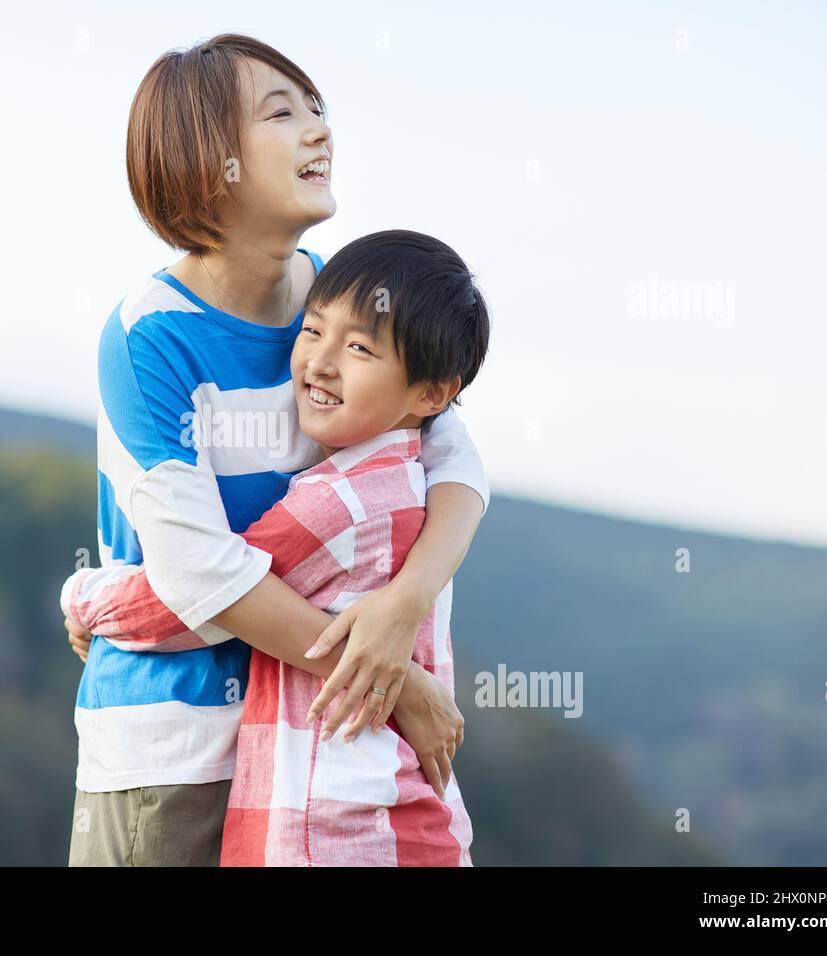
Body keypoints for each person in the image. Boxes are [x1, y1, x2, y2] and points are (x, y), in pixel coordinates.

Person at [61, 35, 489, 867]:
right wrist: (395, 684)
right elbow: (202, 575)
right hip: (178, 752)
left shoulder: (339, 296)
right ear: (204, 157)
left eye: (318, 109)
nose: (319, 132)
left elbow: (455, 456)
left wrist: (404, 606)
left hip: (313, 750)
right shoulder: (150, 338)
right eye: (282, 113)